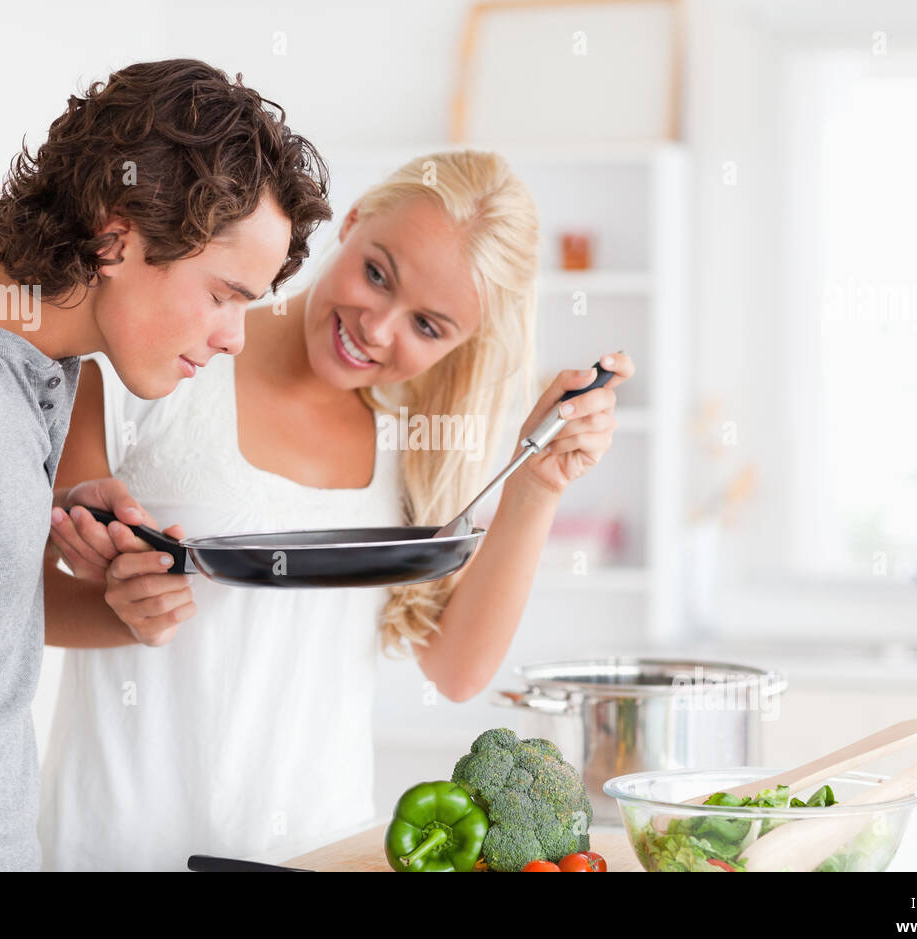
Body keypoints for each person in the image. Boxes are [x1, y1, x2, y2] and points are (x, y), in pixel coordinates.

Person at [0, 59, 330, 871]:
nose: (234, 337)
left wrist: (97, 591)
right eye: (224, 293)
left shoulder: (11, 341)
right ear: (115, 236)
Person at [40, 149, 633, 870]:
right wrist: (115, 601)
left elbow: (455, 671)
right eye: (377, 273)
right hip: (118, 847)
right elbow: (30, 584)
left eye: (428, 326)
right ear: (350, 222)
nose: (378, 328)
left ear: (462, 343)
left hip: (318, 851)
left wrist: (538, 482)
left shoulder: (412, 443)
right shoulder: (158, 362)